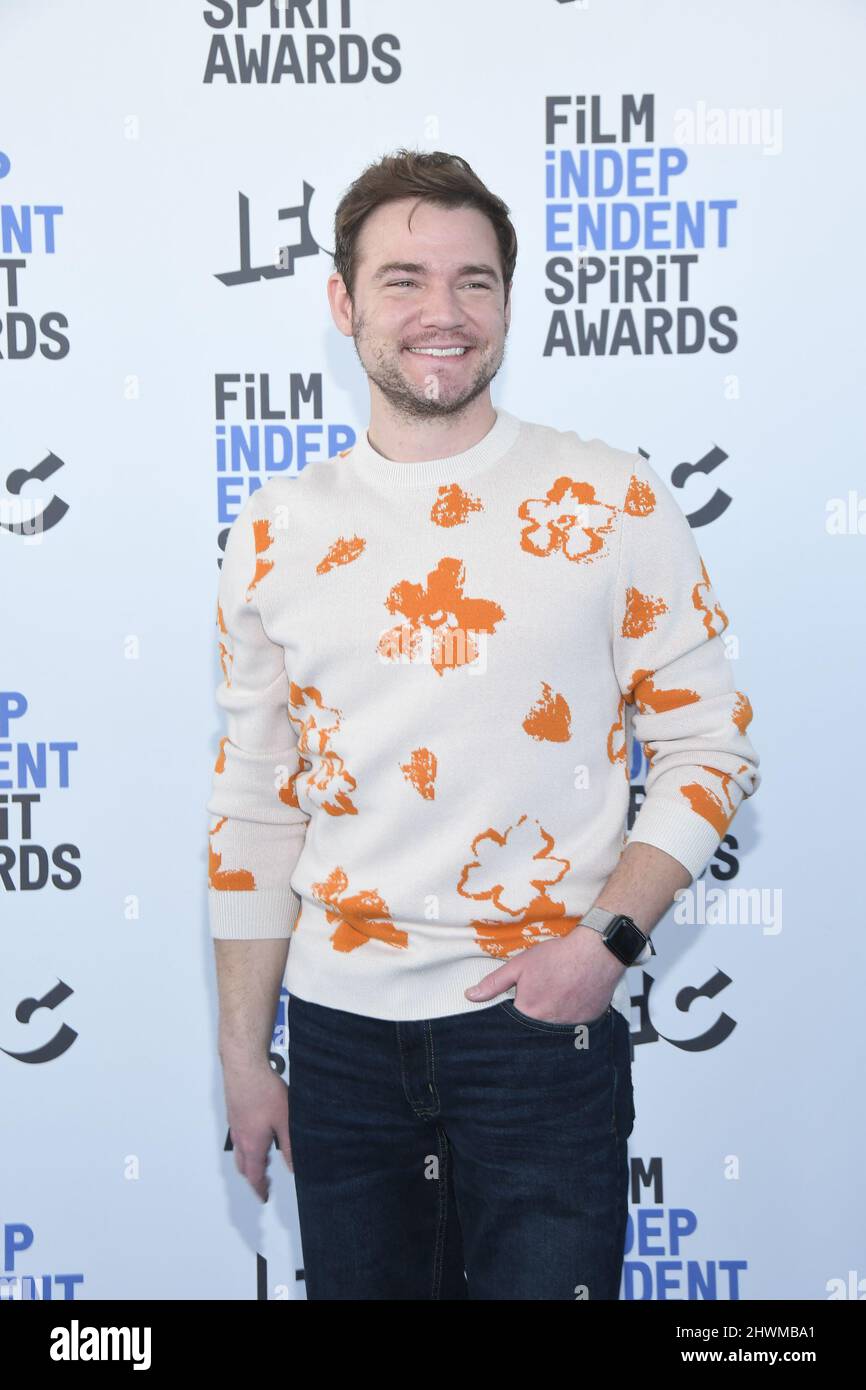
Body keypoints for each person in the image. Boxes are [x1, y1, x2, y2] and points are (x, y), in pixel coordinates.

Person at [206, 148, 761, 1301]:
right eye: (403, 279)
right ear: (343, 304)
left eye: (474, 281)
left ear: (509, 302)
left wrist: (603, 944)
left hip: (535, 1036)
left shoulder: (608, 498)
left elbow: (708, 742)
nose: (441, 314)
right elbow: (255, 805)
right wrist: (244, 1062)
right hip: (339, 1041)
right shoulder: (274, 529)